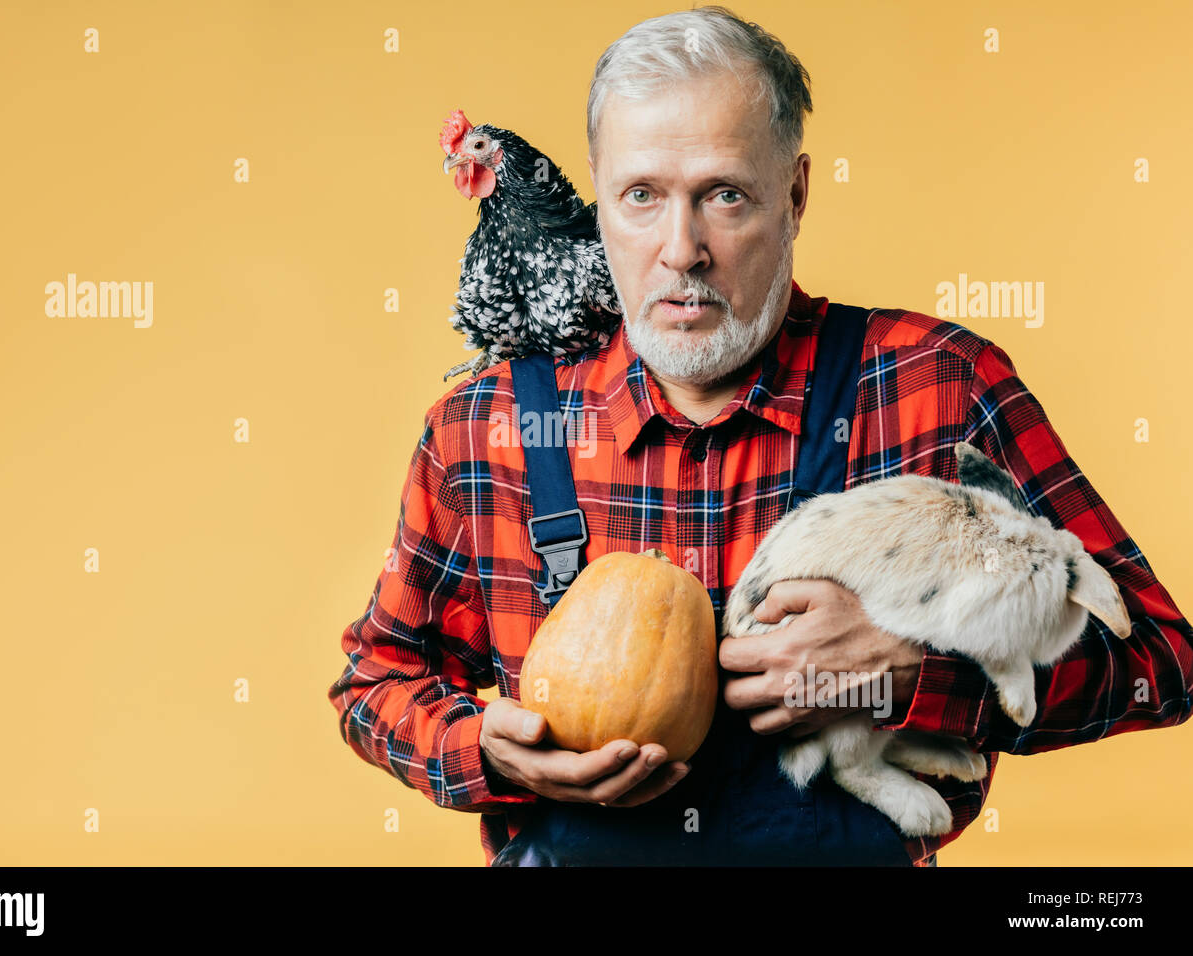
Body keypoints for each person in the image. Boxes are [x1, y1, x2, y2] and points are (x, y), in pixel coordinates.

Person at [329, 6, 1192, 866]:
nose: (681, 250)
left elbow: (1163, 661)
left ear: (797, 193)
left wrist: (916, 673)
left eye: (724, 195)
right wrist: (482, 751)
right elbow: (375, 682)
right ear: (598, 198)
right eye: (641, 197)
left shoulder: (937, 385)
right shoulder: (491, 426)